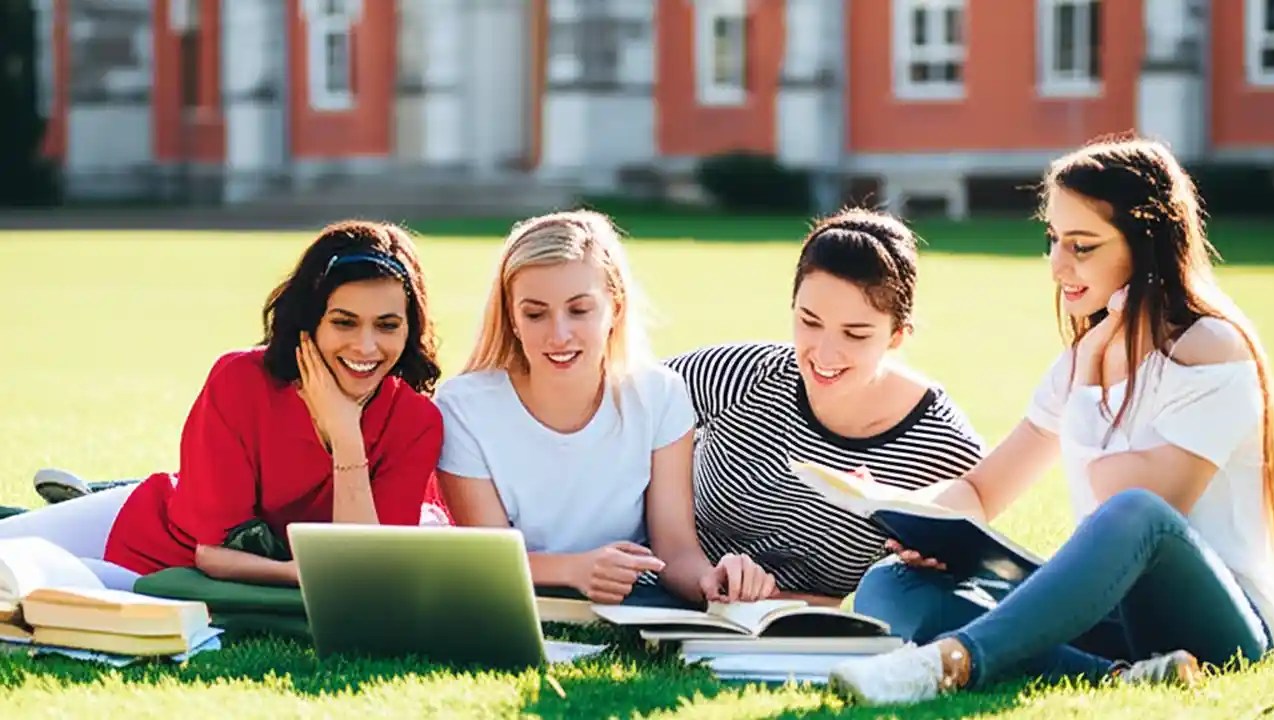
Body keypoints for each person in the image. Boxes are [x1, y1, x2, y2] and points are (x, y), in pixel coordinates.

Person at [828, 135, 1274, 706]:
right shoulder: (1082, 360)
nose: (1057, 265)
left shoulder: (1209, 347)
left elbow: (1130, 501)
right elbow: (982, 488)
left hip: (1226, 626)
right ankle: (1117, 676)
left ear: (1146, 243)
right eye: (1053, 240)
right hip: (1117, 615)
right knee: (892, 584)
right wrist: (905, 513)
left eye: (1082, 246)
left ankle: (952, 661)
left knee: (1137, 511)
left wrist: (1088, 381)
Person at [1, 220, 448, 588]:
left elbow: (363, 569)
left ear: (410, 330)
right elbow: (213, 555)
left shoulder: (417, 422)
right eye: (344, 322)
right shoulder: (240, 380)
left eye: (387, 325)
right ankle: (91, 498)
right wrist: (302, 573)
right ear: (308, 323)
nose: (366, 346)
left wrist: (347, 437)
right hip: (147, 536)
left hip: (190, 576)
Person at [435, 209, 776, 607]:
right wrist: (574, 570)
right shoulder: (465, 407)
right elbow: (487, 558)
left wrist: (713, 582)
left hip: (632, 605)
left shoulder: (659, 396)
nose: (558, 335)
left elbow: (676, 550)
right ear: (511, 317)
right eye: (535, 313)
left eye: (579, 310)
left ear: (614, 307)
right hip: (515, 605)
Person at [664, 208, 986, 606]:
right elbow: (613, 398)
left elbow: (944, 583)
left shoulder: (944, 447)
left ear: (897, 337)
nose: (824, 353)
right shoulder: (738, 376)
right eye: (810, 322)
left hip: (806, 629)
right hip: (660, 591)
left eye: (855, 333)